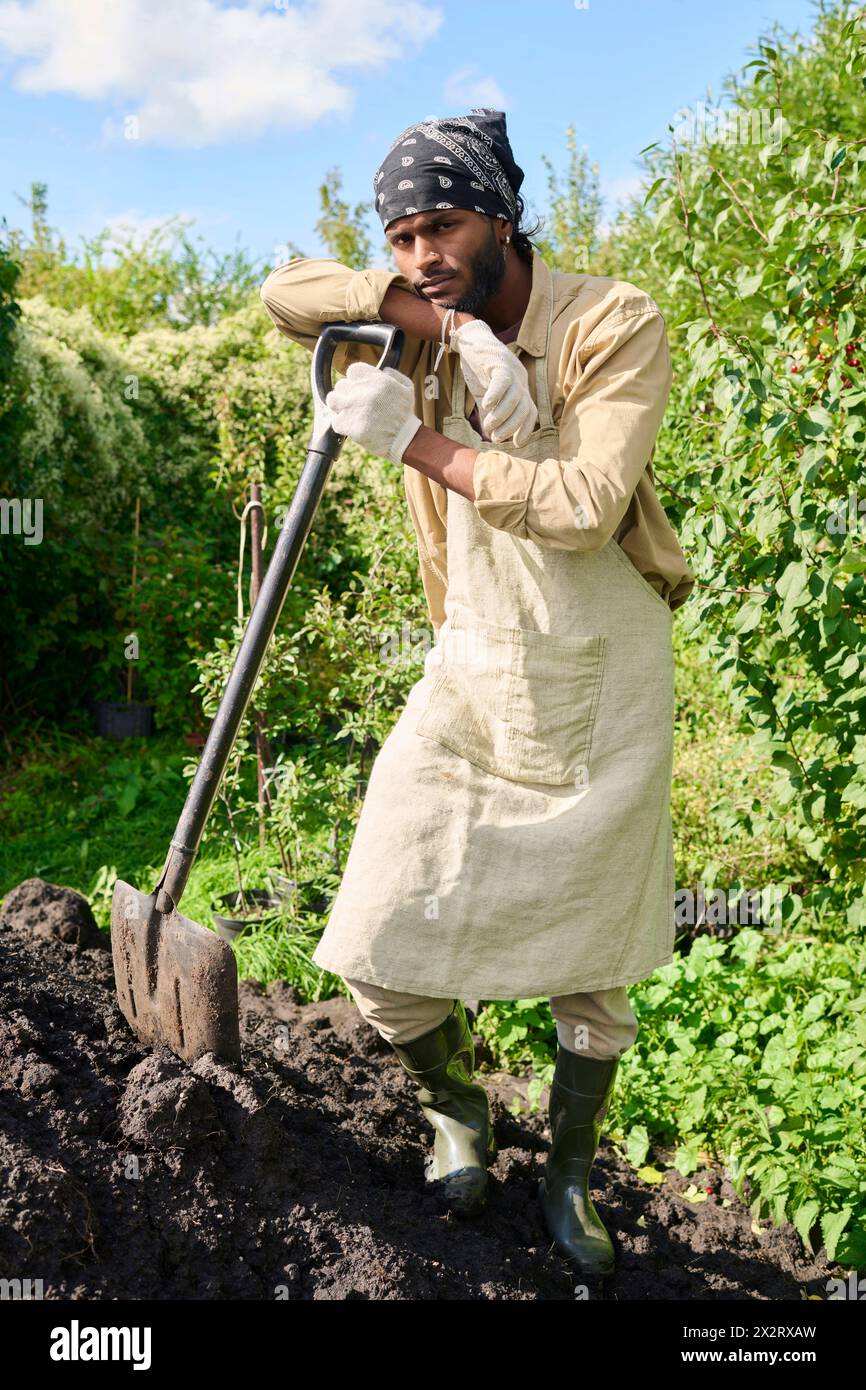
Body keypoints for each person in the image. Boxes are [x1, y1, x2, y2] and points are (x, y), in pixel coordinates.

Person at [259, 108, 695, 1277]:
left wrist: (422, 444)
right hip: (473, 654)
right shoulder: (419, 309)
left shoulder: (611, 320)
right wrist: (425, 317)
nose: (421, 250)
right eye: (400, 235)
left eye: (442, 226)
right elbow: (282, 292)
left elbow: (584, 507)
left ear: (502, 213)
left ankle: (564, 1173)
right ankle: (459, 1111)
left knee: (591, 965)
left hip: (599, 665)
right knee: (375, 931)